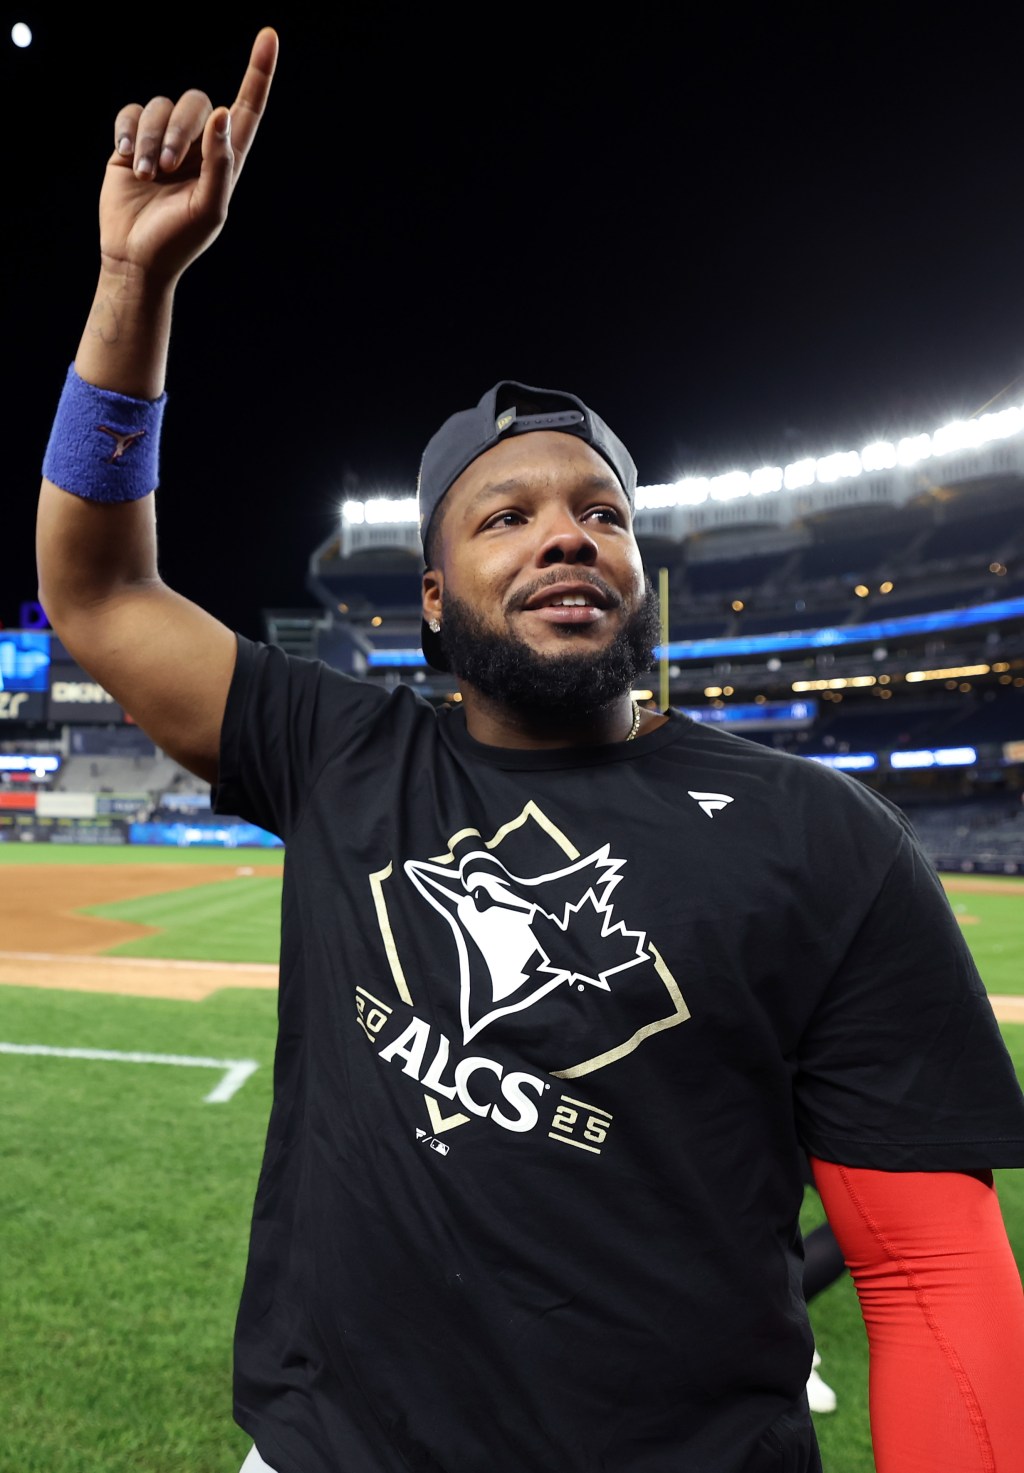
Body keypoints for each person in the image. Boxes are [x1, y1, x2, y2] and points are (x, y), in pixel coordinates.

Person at [35, 29, 1024, 1473]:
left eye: (602, 511)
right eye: (505, 516)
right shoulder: (335, 748)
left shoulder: (824, 838)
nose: (568, 528)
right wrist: (137, 282)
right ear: (430, 598)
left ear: (635, 565)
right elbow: (100, 591)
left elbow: (933, 1280)